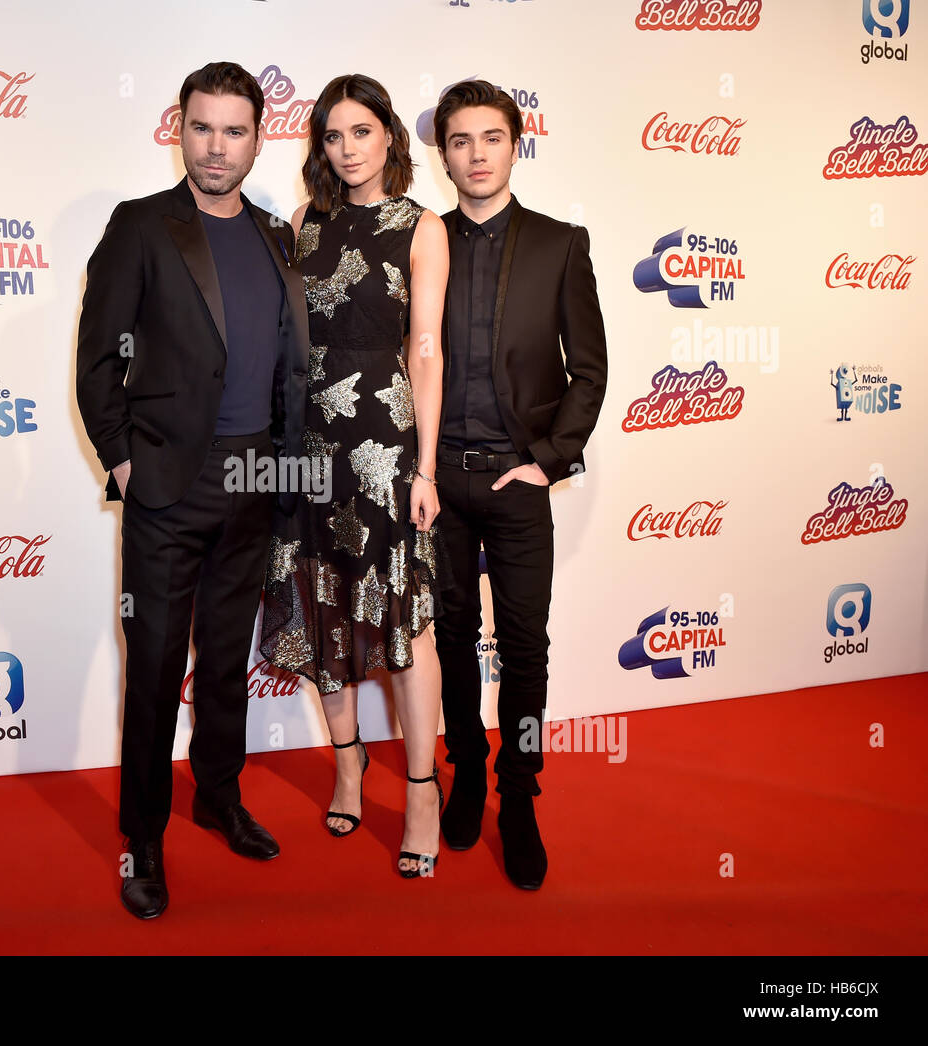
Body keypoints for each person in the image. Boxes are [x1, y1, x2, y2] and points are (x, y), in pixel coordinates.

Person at [75, 61, 309, 919]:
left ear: (257, 137)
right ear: (181, 128)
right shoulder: (141, 226)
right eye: (203, 128)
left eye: (235, 130)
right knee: (154, 671)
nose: (218, 147)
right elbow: (97, 359)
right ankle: (143, 838)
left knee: (225, 664)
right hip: (170, 486)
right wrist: (123, 457)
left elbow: (286, 361)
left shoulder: (277, 235)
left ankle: (217, 795)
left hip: (257, 479)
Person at [259, 73, 451, 878]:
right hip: (310, 442)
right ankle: (347, 763)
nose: (346, 150)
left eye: (361, 132)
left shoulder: (423, 226)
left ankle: (419, 791)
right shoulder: (303, 222)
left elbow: (426, 351)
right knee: (319, 603)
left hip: (386, 440)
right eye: (332, 136)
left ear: (390, 139)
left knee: (409, 626)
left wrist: (426, 467)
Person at [428, 80, 607, 889]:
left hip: (516, 485)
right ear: (444, 151)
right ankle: (466, 771)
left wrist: (552, 457)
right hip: (439, 486)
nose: (475, 154)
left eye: (490, 138)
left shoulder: (560, 243)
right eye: (460, 140)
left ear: (515, 143)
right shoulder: (420, 242)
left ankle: (521, 796)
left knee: (525, 651)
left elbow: (589, 370)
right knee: (454, 646)